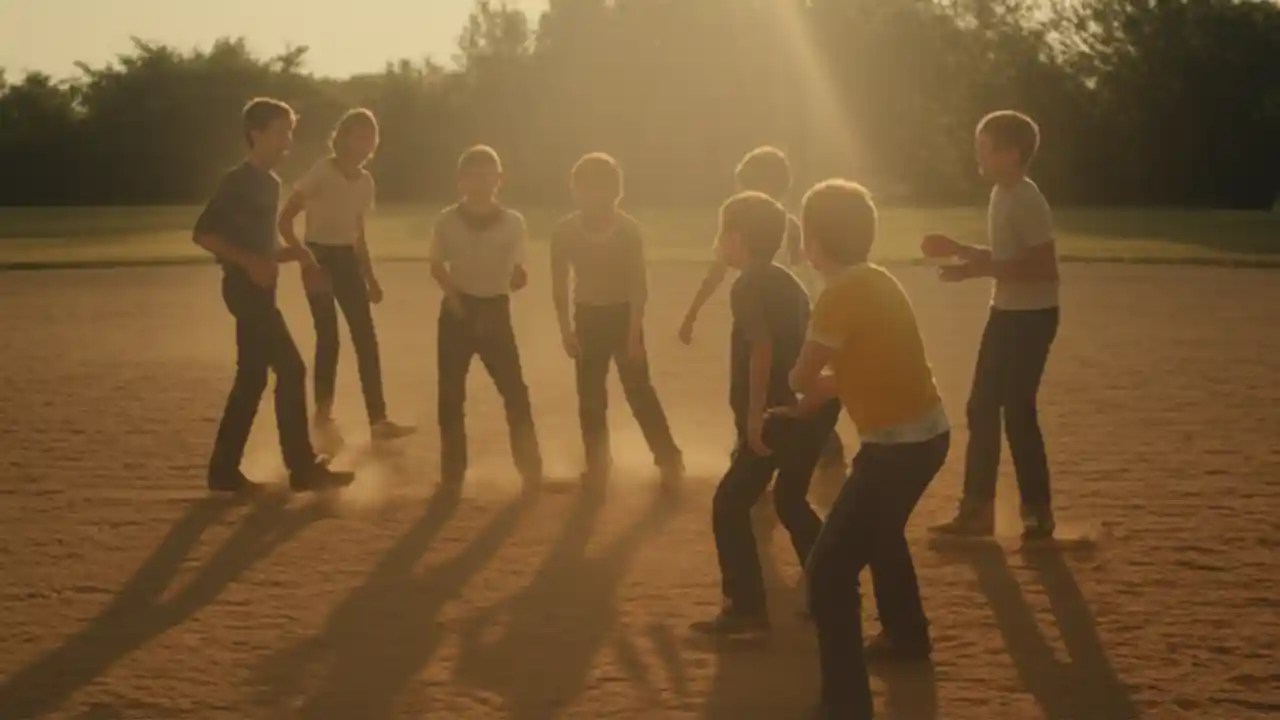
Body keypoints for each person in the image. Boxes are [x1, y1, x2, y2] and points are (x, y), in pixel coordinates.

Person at [788, 180, 950, 719]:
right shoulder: (879, 281)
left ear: (813, 241)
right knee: (881, 530)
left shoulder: (836, 295)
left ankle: (845, 705)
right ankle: (906, 635)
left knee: (830, 571)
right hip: (930, 436)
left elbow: (800, 374)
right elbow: (874, 362)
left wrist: (803, 384)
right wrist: (826, 392)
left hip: (894, 450)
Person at [690, 192, 841, 638]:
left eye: (722, 234)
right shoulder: (788, 280)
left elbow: (762, 348)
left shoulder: (748, 283)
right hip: (812, 408)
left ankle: (746, 609)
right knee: (792, 501)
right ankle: (832, 594)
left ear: (736, 239)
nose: (719, 243)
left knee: (729, 502)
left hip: (779, 411)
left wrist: (754, 419)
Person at [194, 97, 354, 494]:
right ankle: (302, 467)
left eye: (290, 133)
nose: (288, 141)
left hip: (260, 291)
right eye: (281, 132)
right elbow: (203, 234)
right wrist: (249, 262)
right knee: (292, 368)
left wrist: (295, 254)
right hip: (243, 289)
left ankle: (223, 471)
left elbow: (263, 250)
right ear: (256, 134)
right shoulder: (238, 180)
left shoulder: (269, 183)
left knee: (251, 379)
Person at [927, 110, 1061, 541]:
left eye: (985, 148)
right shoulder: (1001, 195)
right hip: (1005, 312)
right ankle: (978, 511)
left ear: (1011, 154)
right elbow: (1008, 254)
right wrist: (965, 251)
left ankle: (1037, 513)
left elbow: (1043, 267)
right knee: (982, 407)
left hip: (1032, 317)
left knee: (1018, 411)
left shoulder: (1026, 197)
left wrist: (976, 270)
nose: (978, 156)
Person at [679, 146, 845, 471]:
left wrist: (692, 313)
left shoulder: (763, 227)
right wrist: (692, 311)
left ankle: (752, 448)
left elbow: (722, 270)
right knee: (789, 383)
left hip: (765, 308)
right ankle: (817, 443)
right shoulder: (782, 225)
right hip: (789, 309)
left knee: (755, 379)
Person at [277, 108, 414, 450]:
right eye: (359, 135)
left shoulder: (365, 182)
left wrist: (370, 278)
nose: (366, 143)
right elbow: (285, 220)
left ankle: (378, 420)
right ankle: (323, 421)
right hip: (319, 258)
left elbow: (357, 234)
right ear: (343, 136)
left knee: (366, 337)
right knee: (329, 339)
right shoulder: (322, 171)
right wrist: (305, 258)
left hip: (348, 261)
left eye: (371, 137)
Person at [550, 153, 683, 485]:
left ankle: (668, 458)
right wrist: (566, 329)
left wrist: (634, 333)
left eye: (603, 187)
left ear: (616, 190)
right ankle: (598, 463)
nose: (595, 195)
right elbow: (558, 284)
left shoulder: (627, 230)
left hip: (623, 315)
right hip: (587, 317)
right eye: (587, 187)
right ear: (576, 190)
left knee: (638, 390)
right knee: (590, 396)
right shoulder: (565, 231)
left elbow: (638, 285)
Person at [429, 145, 543, 489]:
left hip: (495, 309)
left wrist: (519, 276)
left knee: (514, 391)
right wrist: (455, 299)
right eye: (474, 175)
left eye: (489, 173)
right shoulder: (448, 219)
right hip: (457, 309)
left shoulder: (513, 222)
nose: (482, 181)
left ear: (499, 179)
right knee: (451, 395)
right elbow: (436, 265)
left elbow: (519, 268)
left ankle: (530, 468)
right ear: (461, 181)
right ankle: (453, 472)